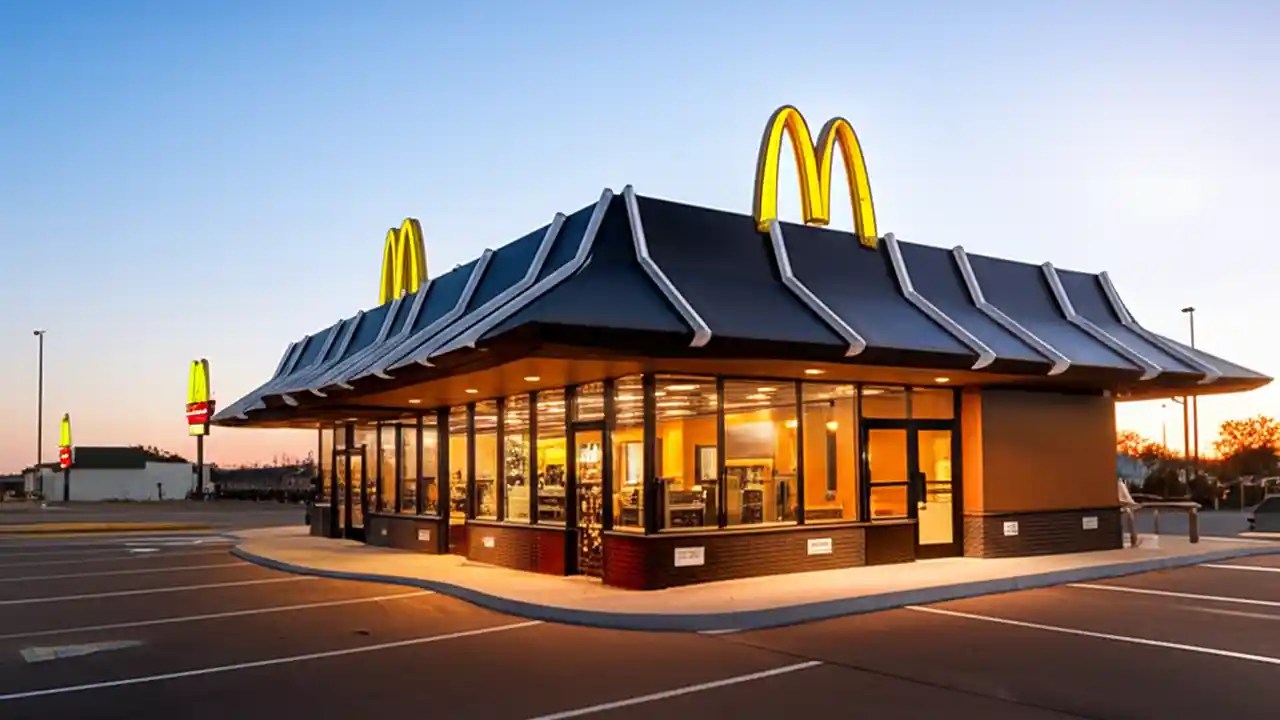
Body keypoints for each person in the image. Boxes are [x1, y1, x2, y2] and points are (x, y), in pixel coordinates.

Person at [1118, 480, 1141, 546]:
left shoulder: (1120, 483)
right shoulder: (1119, 484)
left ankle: (1134, 540)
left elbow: (1127, 499)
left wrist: (1132, 504)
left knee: (1130, 517)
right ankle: (1134, 540)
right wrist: (1131, 504)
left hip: (1124, 507)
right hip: (1121, 507)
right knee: (1130, 517)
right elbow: (1123, 500)